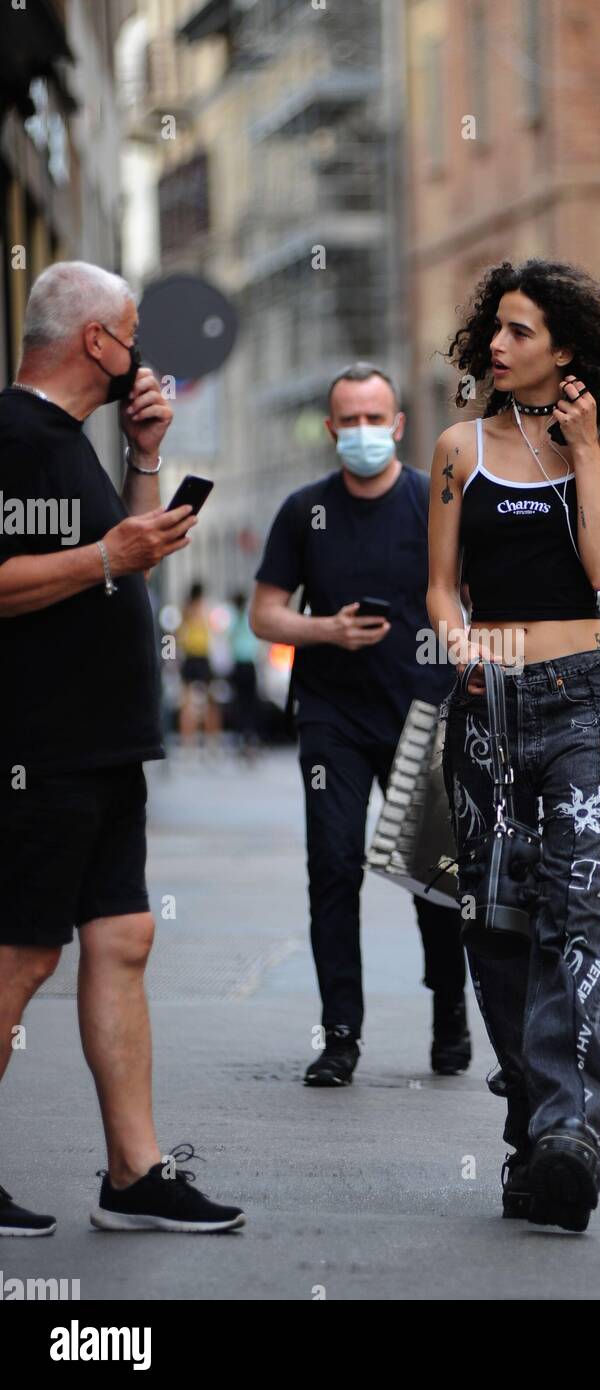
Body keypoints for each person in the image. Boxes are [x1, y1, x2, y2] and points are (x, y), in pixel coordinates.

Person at [0, 261, 245, 1236]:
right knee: (19, 957)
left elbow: (119, 564)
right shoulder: (15, 436)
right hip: (37, 746)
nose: (142, 352)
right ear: (96, 340)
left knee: (122, 938)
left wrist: (142, 456)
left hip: (99, 748)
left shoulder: (71, 442)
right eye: (132, 331)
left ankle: (134, 1173)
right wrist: (108, 554)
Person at [427, 258, 600, 1233]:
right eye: (495, 330)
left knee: (580, 912)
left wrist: (584, 451)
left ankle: (569, 1128)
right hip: (488, 707)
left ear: (564, 347)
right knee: (494, 923)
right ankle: (533, 1117)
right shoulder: (456, 447)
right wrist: (459, 639)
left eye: (519, 331)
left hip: (579, 702)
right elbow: (440, 585)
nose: (497, 346)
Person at [250, 362, 468, 1086]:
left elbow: (470, 599)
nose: (365, 432)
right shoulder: (303, 510)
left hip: (424, 709)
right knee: (333, 867)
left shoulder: (432, 503)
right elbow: (265, 612)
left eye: (378, 419)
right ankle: (340, 1035)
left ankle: (450, 1014)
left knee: (432, 877)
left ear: (400, 426)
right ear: (331, 428)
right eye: (352, 420)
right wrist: (324, 631)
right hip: (332, 717)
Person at [176, 581, 221, 751]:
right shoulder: (205, 609)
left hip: (190, 657)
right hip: (201, 656)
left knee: (187, 701)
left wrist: (172, 657)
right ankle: (211, 742)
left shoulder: (185, 610)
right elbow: (214, 634)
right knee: (210, 702)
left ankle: (189, 743)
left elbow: (176, 636)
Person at [228, 591, 261, 757]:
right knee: (250, 702)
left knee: (239, 702)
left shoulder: (233, 619)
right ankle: (250, 736)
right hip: (249, 664)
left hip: (238, 665)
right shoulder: (249, 618)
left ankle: (241, 736)